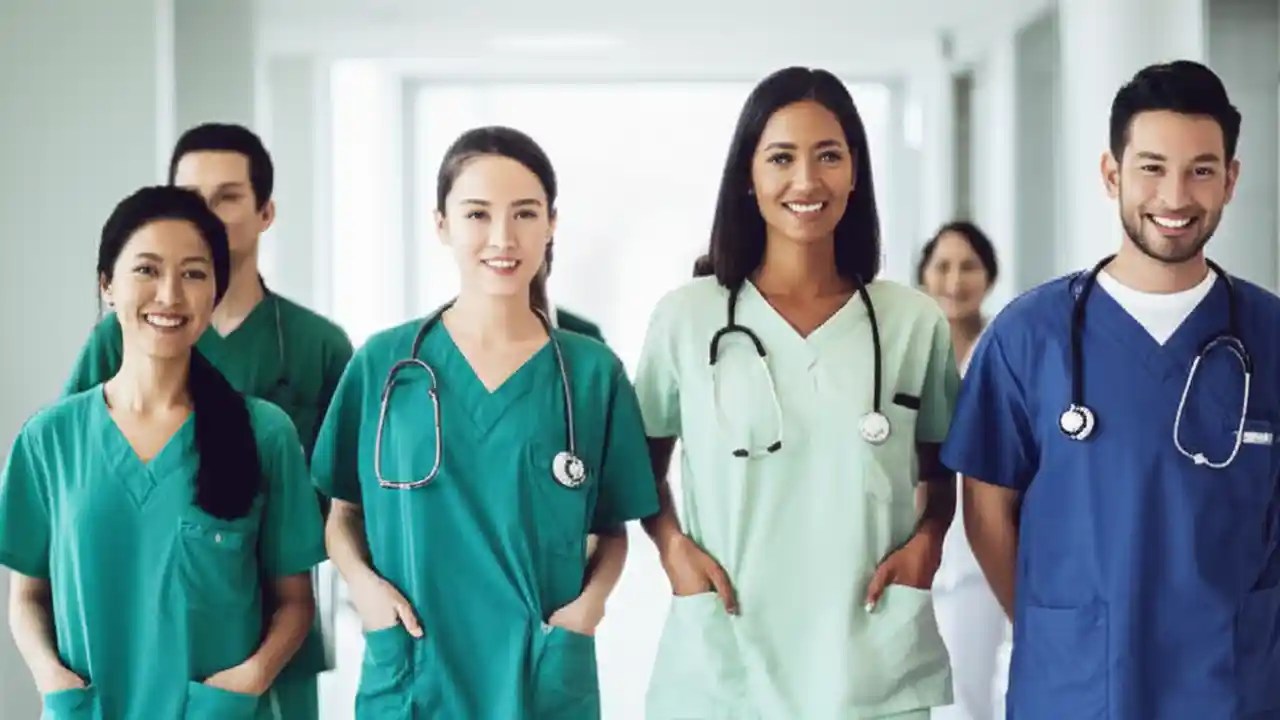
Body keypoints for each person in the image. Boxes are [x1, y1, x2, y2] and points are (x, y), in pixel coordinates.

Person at [942, 60, 1280, 719]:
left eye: (1201, 170)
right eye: (1152, 167)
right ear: (1111, 174)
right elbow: (985, 513)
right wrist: (1064, 627)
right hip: (1074, 690)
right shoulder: (1029, 336)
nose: (1175, 196)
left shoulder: (1269, 336)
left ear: (1231, 180)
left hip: (1231, 688)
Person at [636, 66, 961, 719]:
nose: (806, 181)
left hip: (869, 666)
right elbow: (641, 467)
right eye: (781, 157)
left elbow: (943, 469)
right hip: (726, 665)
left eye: (829, 157)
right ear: (748, 178)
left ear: (855, 173)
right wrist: (672, 545)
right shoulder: (688, 318)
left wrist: (930, 540)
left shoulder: (911, 321)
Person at [312, 125, 659, 718]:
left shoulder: (590, 373)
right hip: (416, 664)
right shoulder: (385, 364)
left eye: (524, 214)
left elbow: (612, 529)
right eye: (477, 214)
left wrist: (587, 612)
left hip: (540, 668)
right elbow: (343, 513)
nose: (503, 237)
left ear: (551, 224)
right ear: (442, 224)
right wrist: (364, 589)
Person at [0, 186, 325, 719]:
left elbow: (293, 602)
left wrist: (248, 681)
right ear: (107, 285)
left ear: (215, 290)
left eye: (194, 273)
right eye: (147, 270)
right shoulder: (49, 439)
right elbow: (27, 598)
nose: (170, 295)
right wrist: (52, 678)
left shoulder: (265, 434)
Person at [62, 123, 352, 717]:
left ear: (266, 211)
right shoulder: (117, 338)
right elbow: (75, 473)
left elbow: (350, 495)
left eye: (227, 197)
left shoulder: (316, 346)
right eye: (190, 196)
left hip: (273, 621)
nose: (206, 214)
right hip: (140, 621)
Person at [917, 221, 1008, 720]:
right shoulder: (908, 353)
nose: (955, 280)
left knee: (969, 690)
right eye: (943, 266)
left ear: (990, 277)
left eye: (969, 266)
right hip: (911, 547)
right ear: (925, 275)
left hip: (978, 554)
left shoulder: (1005, 351)